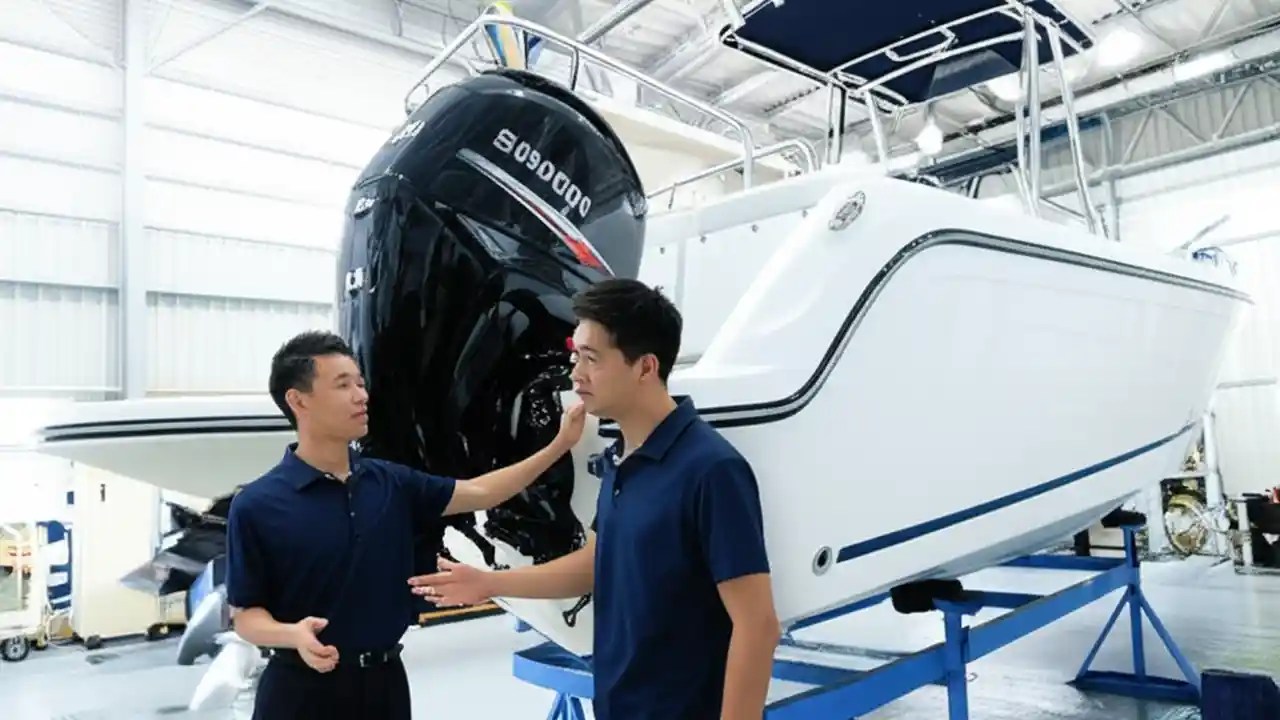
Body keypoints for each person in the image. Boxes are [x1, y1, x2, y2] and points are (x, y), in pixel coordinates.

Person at [408, 278, 781, 719]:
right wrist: (490, 583)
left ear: (645, 367)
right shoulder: (623, 461)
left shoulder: (711, 470)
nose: (575, 374)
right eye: (575, 355)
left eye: (591, 359)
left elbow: (757, 625)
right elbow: (598, 561)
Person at [224, 329, 585, 720]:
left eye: (360, 384)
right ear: (298, 400)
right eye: (343, 385)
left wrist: (559, 445)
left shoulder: (390, 483)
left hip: (385, 687)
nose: (361, 396)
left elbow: (480, 493)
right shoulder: (257, 505)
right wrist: (291, 635)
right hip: (300, 694)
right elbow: (246, 615)